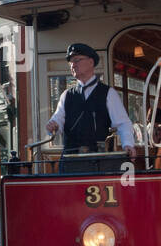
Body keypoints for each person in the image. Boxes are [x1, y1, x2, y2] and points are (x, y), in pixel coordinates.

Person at [46, 43, 138, 172]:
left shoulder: (108, 93)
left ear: (91, 62)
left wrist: (128, 144)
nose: (73, 64)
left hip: (99, 161)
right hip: (71, 162)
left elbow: (122, 123)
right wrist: (53, 125)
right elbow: (58, 120)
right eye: (71, 62)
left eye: (77, 60)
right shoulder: (66, 95)